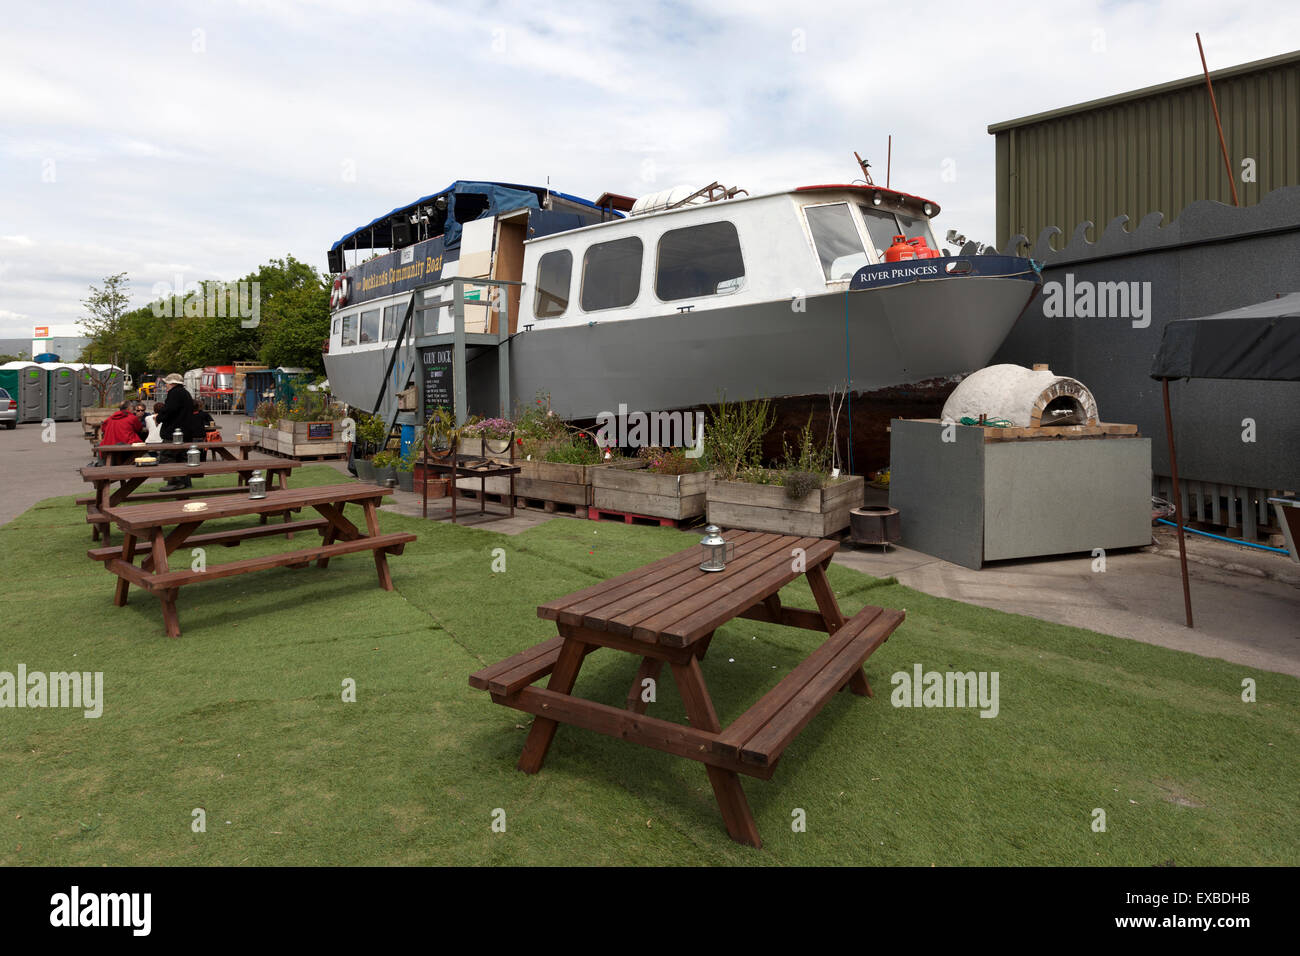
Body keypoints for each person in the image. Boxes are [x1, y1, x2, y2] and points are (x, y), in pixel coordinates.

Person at [158, 373, 198, 490]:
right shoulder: (185, 393)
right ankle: (186, 482)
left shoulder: (174, 393)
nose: (166, 386)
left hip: (174, 433)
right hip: (186, 433)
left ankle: (174, 482)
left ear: (171, 383)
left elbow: (169, 410)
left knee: (167, 456)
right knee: (183, 457)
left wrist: (159, 417)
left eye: (167, 384)